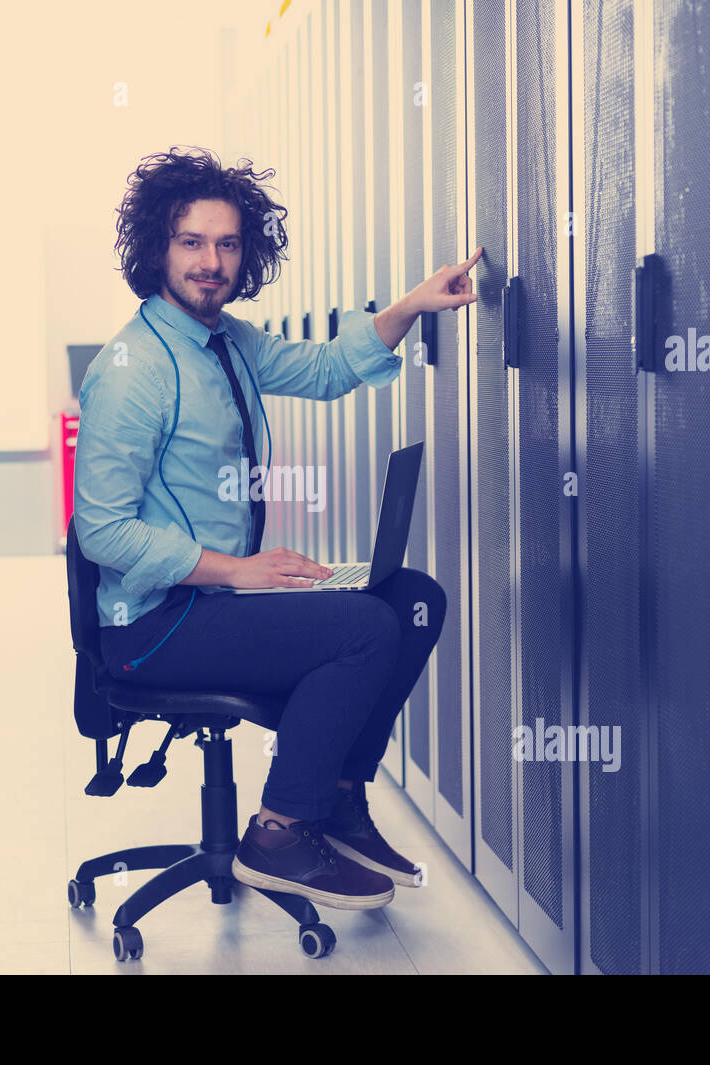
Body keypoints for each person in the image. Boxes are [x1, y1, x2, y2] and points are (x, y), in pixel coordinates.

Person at [73, 146, 479, 910]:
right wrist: (239, 570)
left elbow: (325, 371)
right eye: (191, 242)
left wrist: (411, 306)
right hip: (153, 624)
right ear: (158, 248)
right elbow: (103, 532)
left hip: (210, 604)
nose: (210, 261)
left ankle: (338, 797)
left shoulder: (226, 340)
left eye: (227, 243)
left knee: (411, 597)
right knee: (361, 629)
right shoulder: (136, 369)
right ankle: (280, 830)